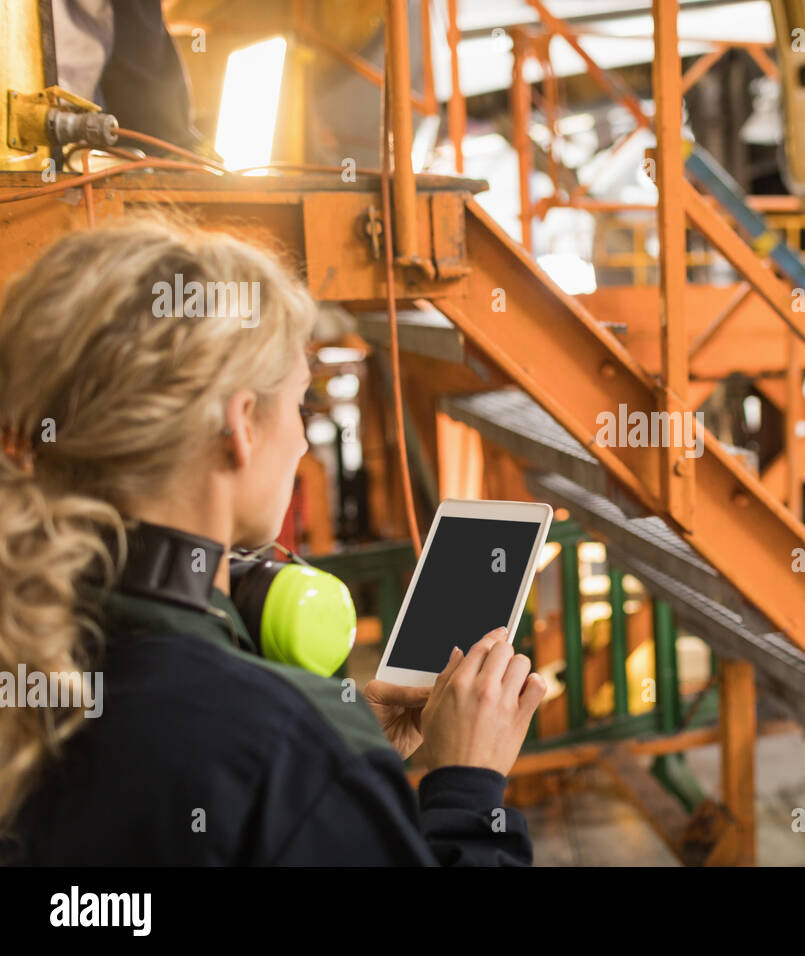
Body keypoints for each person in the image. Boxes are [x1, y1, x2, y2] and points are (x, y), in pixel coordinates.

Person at [0, 219, 546, 865]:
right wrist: (466, 790)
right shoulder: (284, 749)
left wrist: (329, 770)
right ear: (241, 427)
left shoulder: (36, 661)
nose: (302, 440)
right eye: (300, 407)